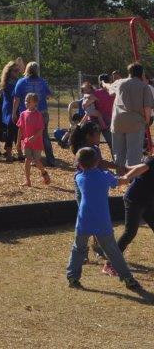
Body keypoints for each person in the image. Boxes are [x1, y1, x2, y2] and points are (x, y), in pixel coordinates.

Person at [66, 147, 142, 291]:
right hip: (102, 221)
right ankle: (128, 278)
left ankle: (73, 277)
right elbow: (123, 181)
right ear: (97, 162)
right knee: (113, 251)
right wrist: (138, 170)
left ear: (80, 164)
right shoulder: (105, 176)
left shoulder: (79, 177)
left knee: (78, 249)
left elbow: (84, 174)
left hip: (84, 220)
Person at [105, 62, 153, 174]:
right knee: (134, 152)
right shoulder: (143, 87)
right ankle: (131, 177)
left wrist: (104, 83)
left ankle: (120, 174)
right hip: (135, 122)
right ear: (141, 73)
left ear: (129, 72)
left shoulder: (120, 83)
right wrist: (146, 120)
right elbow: (147, 107)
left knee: (118, 150)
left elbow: (110, 90)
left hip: (117, 121)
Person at [12, 61, 55, 165]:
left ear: (26, 70)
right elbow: (50, 94)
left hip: (27, 115)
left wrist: (14, 112)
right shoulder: (42, 82)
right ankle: (50, 159)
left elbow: (16, 99)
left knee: (27, 135)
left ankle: (29, 158)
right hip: (42, 112)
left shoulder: (21, 82)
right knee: (43, 136)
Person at [17, 93, 51, 187]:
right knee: (27, 160)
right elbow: (20, 128)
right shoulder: (23, 114)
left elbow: (41, 130)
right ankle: (28, 181)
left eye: (29, 101)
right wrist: (18, 141)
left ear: (35, 103)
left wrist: (34, 137)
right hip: (27, 142)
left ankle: (44, 172)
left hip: (37, 143)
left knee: (36, 161)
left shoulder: (38, 115)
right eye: (25, 100)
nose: (26, 102)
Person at [0, 61, 21, 160]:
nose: (17, 72)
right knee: (11, 129)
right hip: (10, 108)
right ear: (9, 71)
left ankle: (18, 151)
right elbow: (14, 95)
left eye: (17, 70)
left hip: (15, 106)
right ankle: (9, 153)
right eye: (15, 70)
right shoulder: (8, 83)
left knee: (17, 130)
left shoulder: (16, 81)